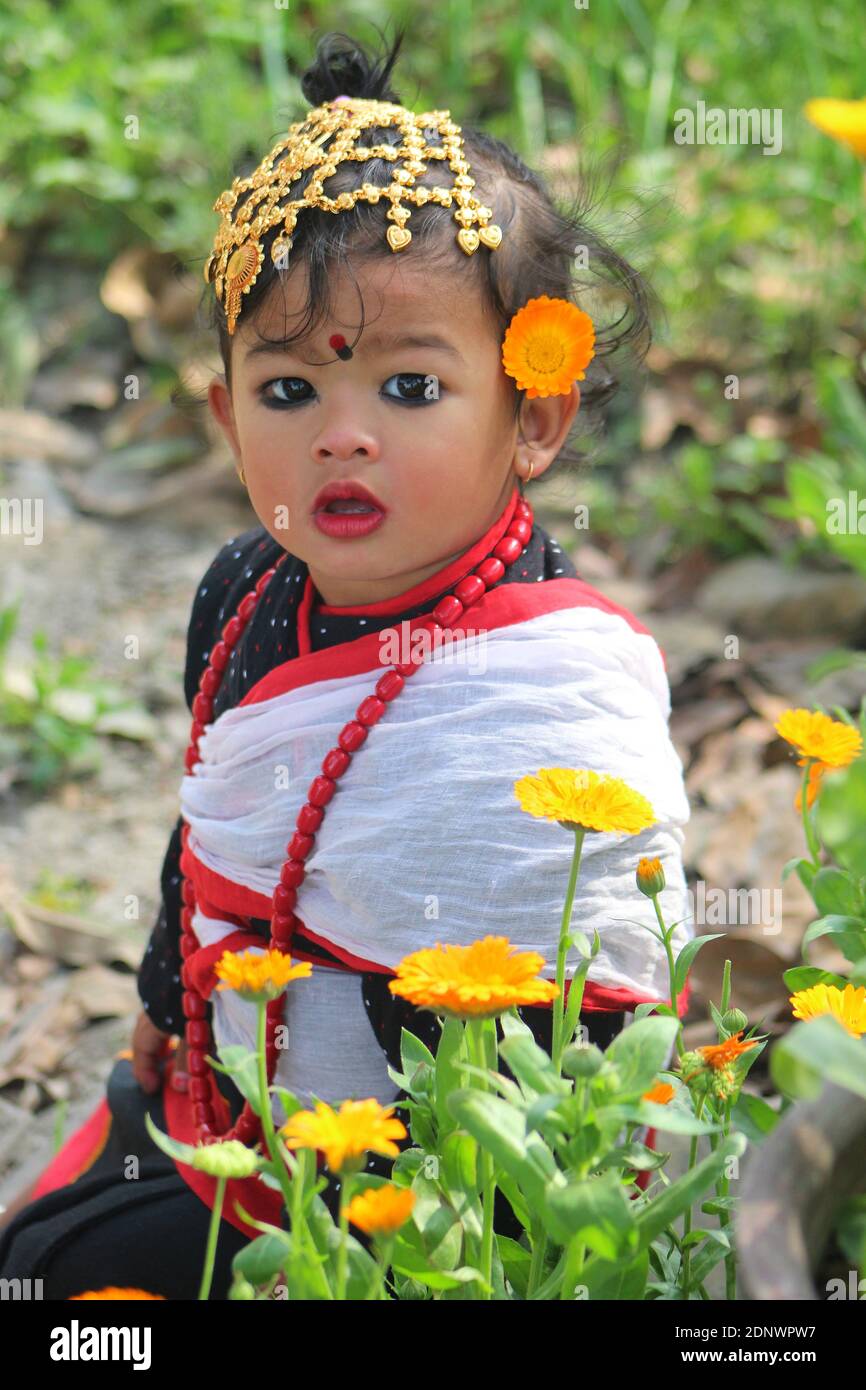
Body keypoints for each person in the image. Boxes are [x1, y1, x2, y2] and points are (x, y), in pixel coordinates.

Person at [0, 26, 692, 1299]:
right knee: (40, 1255)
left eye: (412, 390)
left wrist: (430, 1216)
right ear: (223, 412)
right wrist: (170, 994)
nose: (342, 439)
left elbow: (590, 1021)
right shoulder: (244, 587)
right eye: (286, 393)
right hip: (240, 1083)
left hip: (430, 1177)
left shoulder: (550, 688)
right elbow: (214, 830)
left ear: (530, 413)